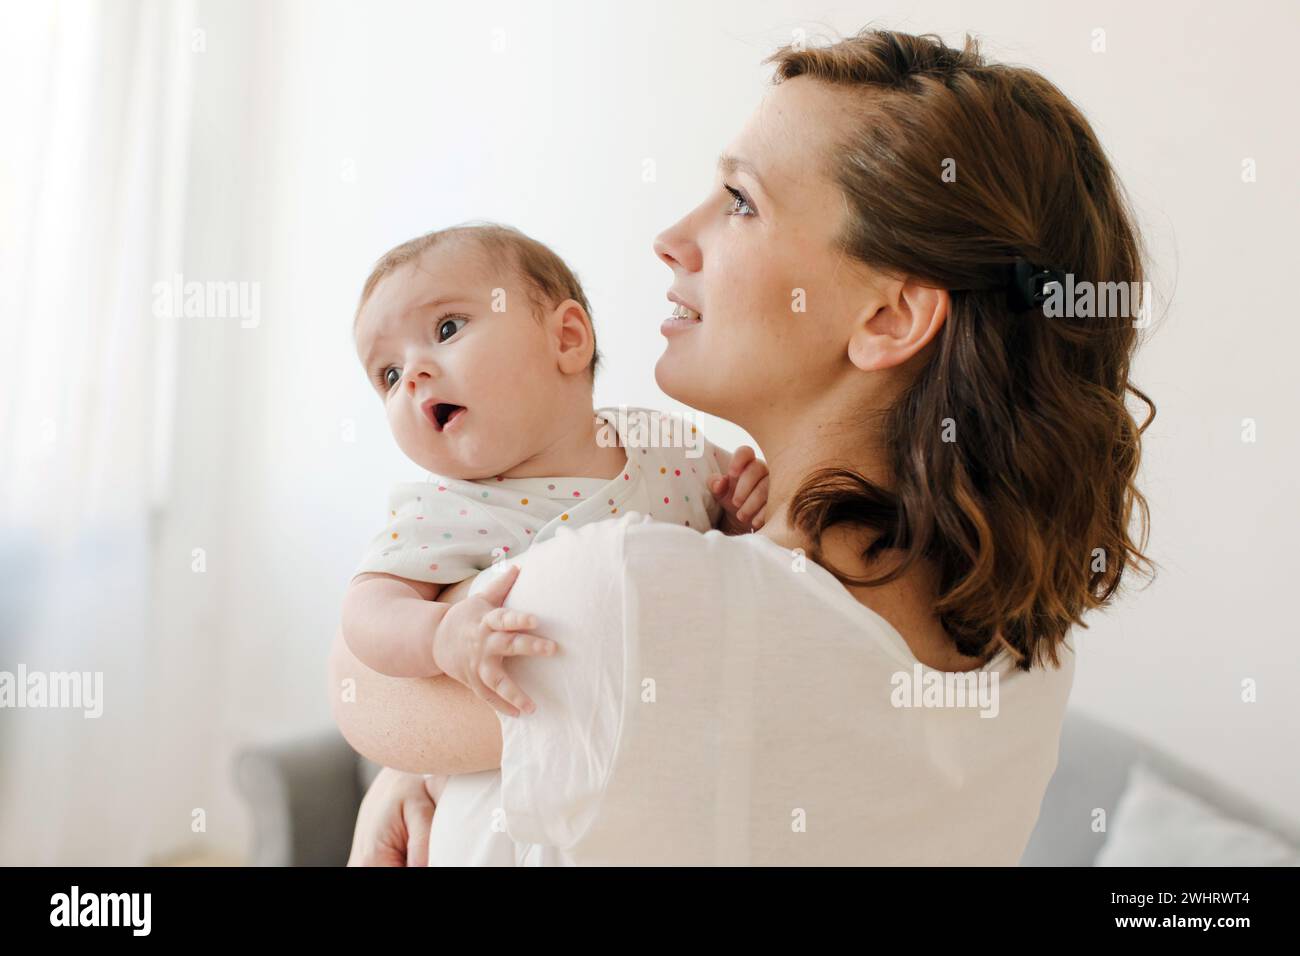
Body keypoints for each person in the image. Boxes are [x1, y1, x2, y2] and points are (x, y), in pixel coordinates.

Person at [331, 27, 1156, 866]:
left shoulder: (621, 597)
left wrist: (409, 762)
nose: (672, 237)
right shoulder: (1031, 650)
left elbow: (361, 685)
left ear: (889, 318)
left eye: (739, 201)